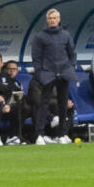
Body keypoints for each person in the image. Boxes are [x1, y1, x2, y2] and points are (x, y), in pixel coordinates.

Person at [31, 8, 76, 145]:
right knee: (44, 104)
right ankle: (39, 134)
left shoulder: (66, 35)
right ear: (47, 20)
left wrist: (70, 67)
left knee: (63, 105)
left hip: (63, 73)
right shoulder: (40, 36)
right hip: (47, 73)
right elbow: (36, 56)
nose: (52, 20)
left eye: (55, 18)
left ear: (59, 19)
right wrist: (39, 72)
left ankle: (62, 134)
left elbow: (72, 53)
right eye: (50, 18)